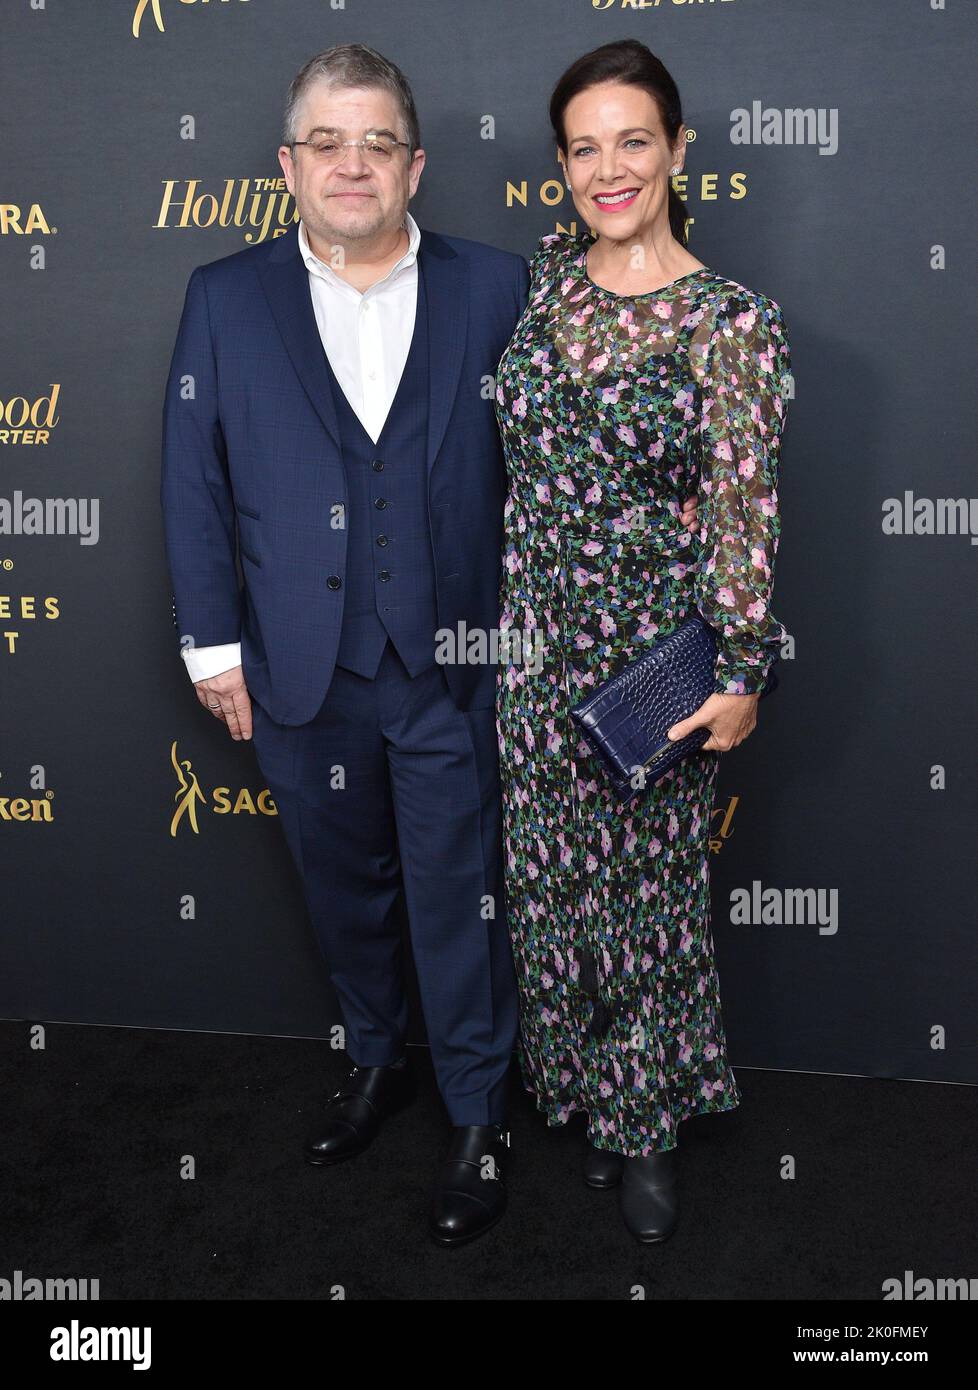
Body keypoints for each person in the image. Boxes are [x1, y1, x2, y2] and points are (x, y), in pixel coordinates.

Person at [160, 43, 530, 1248]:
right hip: (300, 673)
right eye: (328, 141)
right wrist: (215, 650)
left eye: (377, 142)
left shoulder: (499, 287)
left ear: (416, 165)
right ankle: (375, 1062)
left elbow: (548, 484)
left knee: (459, 902)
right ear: (288, 165)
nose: (352, 163)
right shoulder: (225, 296)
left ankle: (478, 1112)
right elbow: (193, 484)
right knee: (344, 894)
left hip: (452, 671)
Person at [493, 39, 792, 1243]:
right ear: (559, 164)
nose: (607, 167)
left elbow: (743, 512)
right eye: (582, 146)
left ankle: (645, 1126)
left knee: (646, 905)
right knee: (553, 894)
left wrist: (742, 674)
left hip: (642, 670)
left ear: (678, 150)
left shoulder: (731, 324)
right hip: (528, 654)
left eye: (632, 140)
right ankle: (572, 1088)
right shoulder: (551, 279)